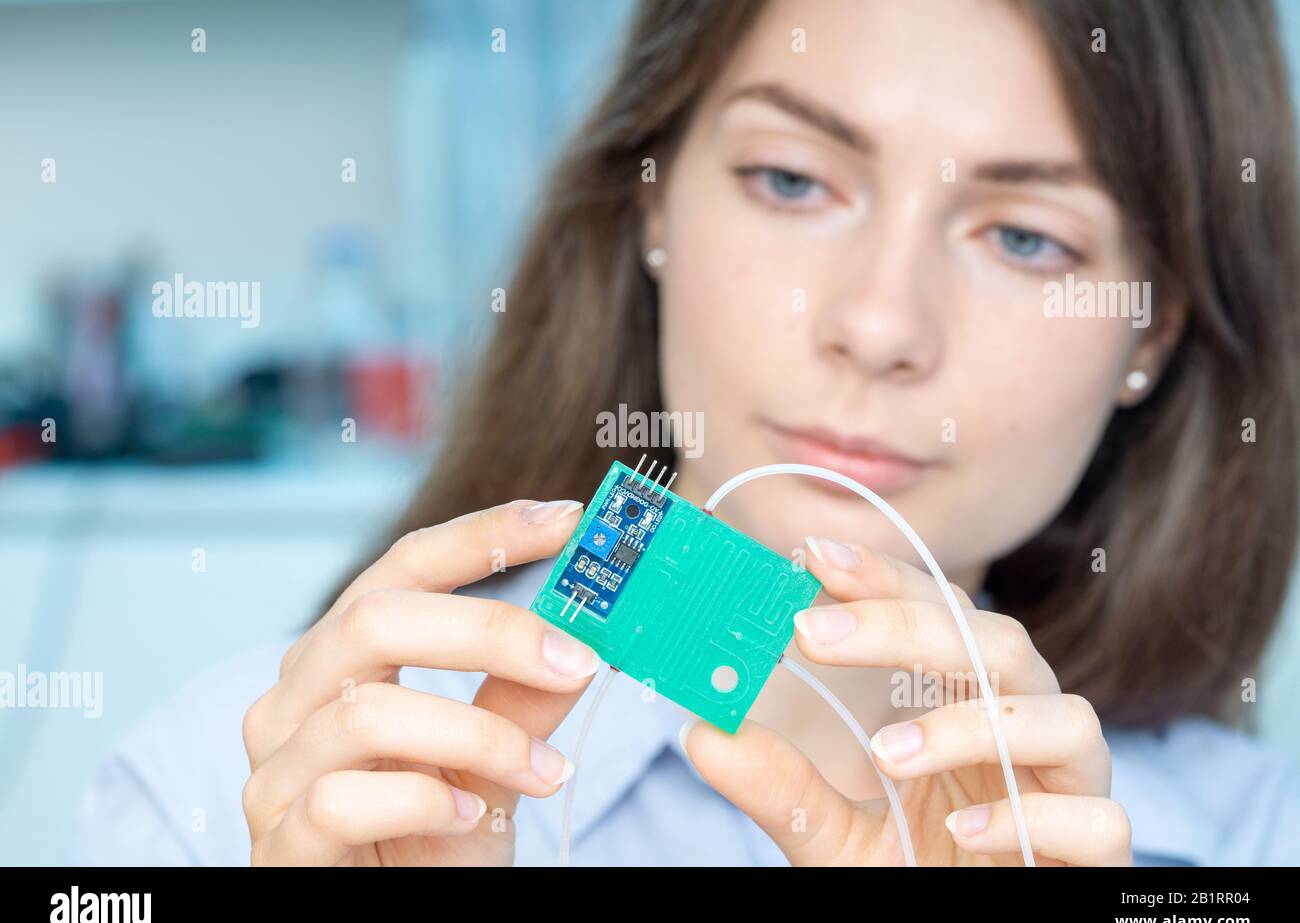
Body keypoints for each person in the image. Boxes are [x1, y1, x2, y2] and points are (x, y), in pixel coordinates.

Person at [73, 0, 1300, 866]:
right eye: (791, 180)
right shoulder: (225, 797)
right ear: (654, 201)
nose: (877, 326)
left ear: (1149, 331)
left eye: (1025, 237)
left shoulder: (1256, 836)